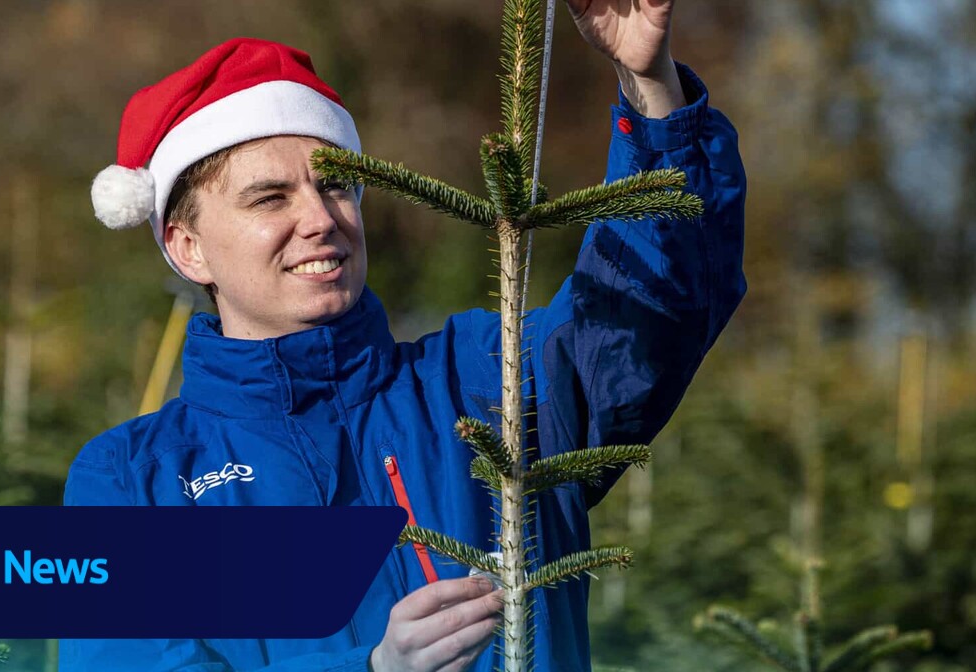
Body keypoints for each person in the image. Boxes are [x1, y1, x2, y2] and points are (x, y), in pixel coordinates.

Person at [63, 0, 745, 669]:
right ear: (188, 248)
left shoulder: (489, 375)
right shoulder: (132, 481)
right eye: (270, 198)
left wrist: (650, 86)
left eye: (337, 187)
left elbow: (649, 309)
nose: (321, 219)